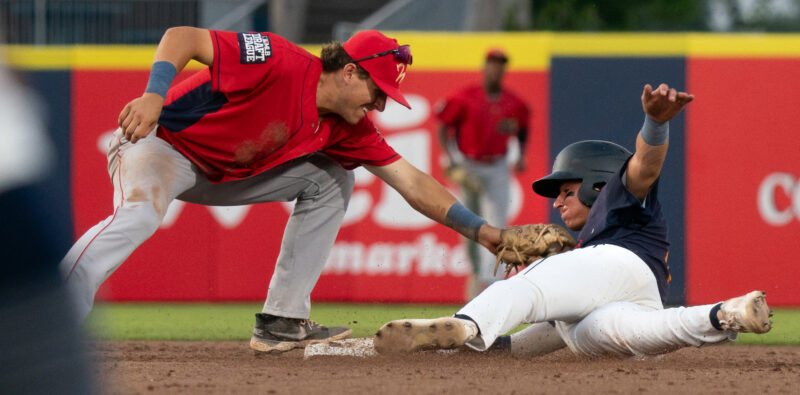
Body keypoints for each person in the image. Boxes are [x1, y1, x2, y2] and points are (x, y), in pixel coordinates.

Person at [60, 28, 503, 354]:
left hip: (222, 174)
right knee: (139, 214)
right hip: (161, 143)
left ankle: (281, 322)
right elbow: (184, 37)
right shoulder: (278, 59)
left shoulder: (350, 128)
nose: (382, 104)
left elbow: (412, 181)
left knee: (332, 179)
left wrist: (482, 231)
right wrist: (154, 93)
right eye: (379, 90)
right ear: (349, 72)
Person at [374, 83, 773, 358]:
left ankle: (464, 325)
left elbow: (646, 166)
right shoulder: (593, 243)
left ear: (598, 182)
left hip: (619, 263)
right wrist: (506, 349)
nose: (557, 204)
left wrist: (655, 123)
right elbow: (545, 336)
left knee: (530, 283)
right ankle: (725, 314)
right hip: (643, 295)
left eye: (566, 190)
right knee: (605, 333)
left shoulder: (617, 192)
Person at [436, 48, 531, 296]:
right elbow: (443, 126)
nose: (497, 68)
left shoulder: (513, 102)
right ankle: (478, 274)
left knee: (496, 225)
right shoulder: (466, 97)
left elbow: (522, 127)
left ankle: (491, 284)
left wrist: (521, 153)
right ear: (485, 67)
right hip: (469, 166)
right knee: (468, 227)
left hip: (497, 167)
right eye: (493, 63)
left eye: (501, 64)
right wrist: (451, 158)